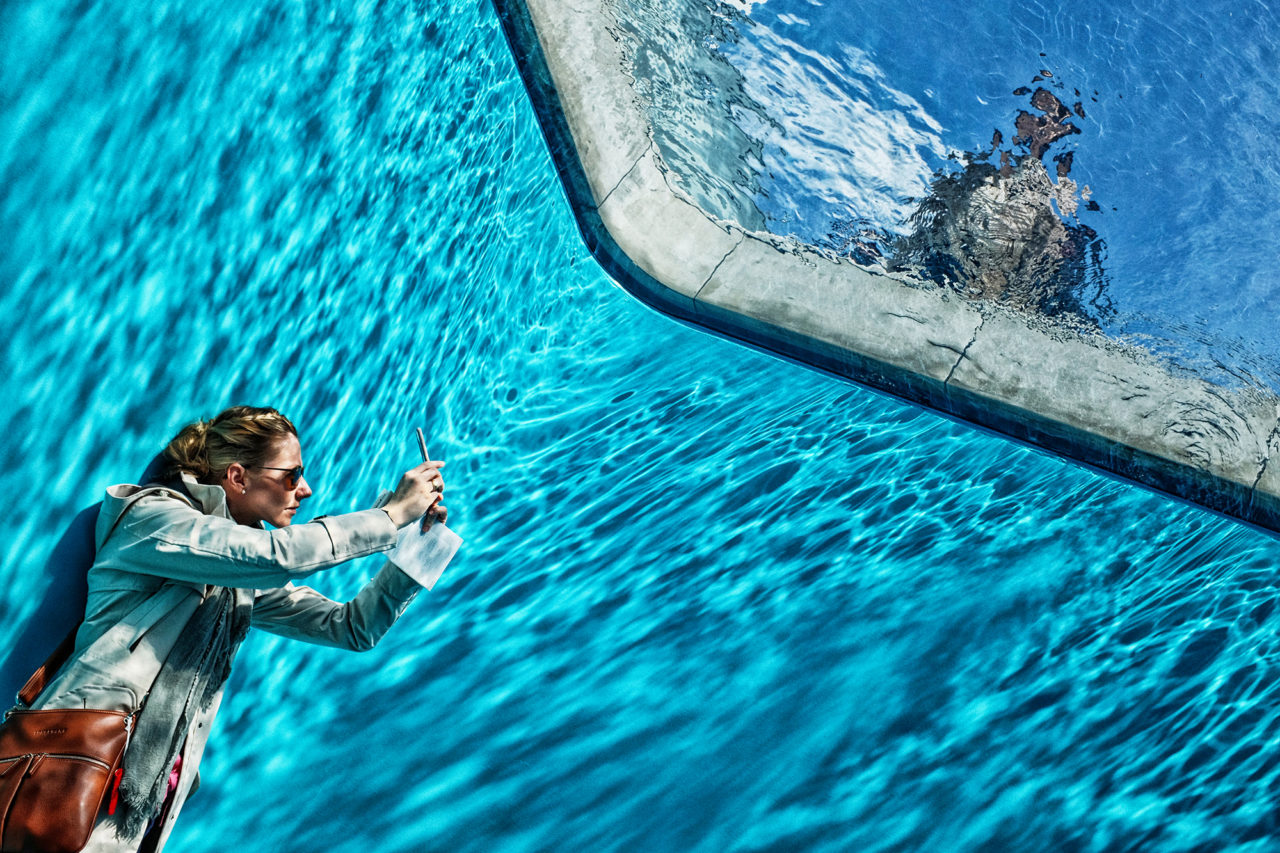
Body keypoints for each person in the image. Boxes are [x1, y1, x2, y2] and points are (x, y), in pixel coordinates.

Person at [24, 405, 447, 852]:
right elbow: (275, 556)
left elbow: (351, 628)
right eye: (292, 474)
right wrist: (388, 517)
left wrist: (418, 546)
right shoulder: (153, 519)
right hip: (76, 770)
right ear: (238, 477)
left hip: (140, 806)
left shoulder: (235, 584)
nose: (306, 489)